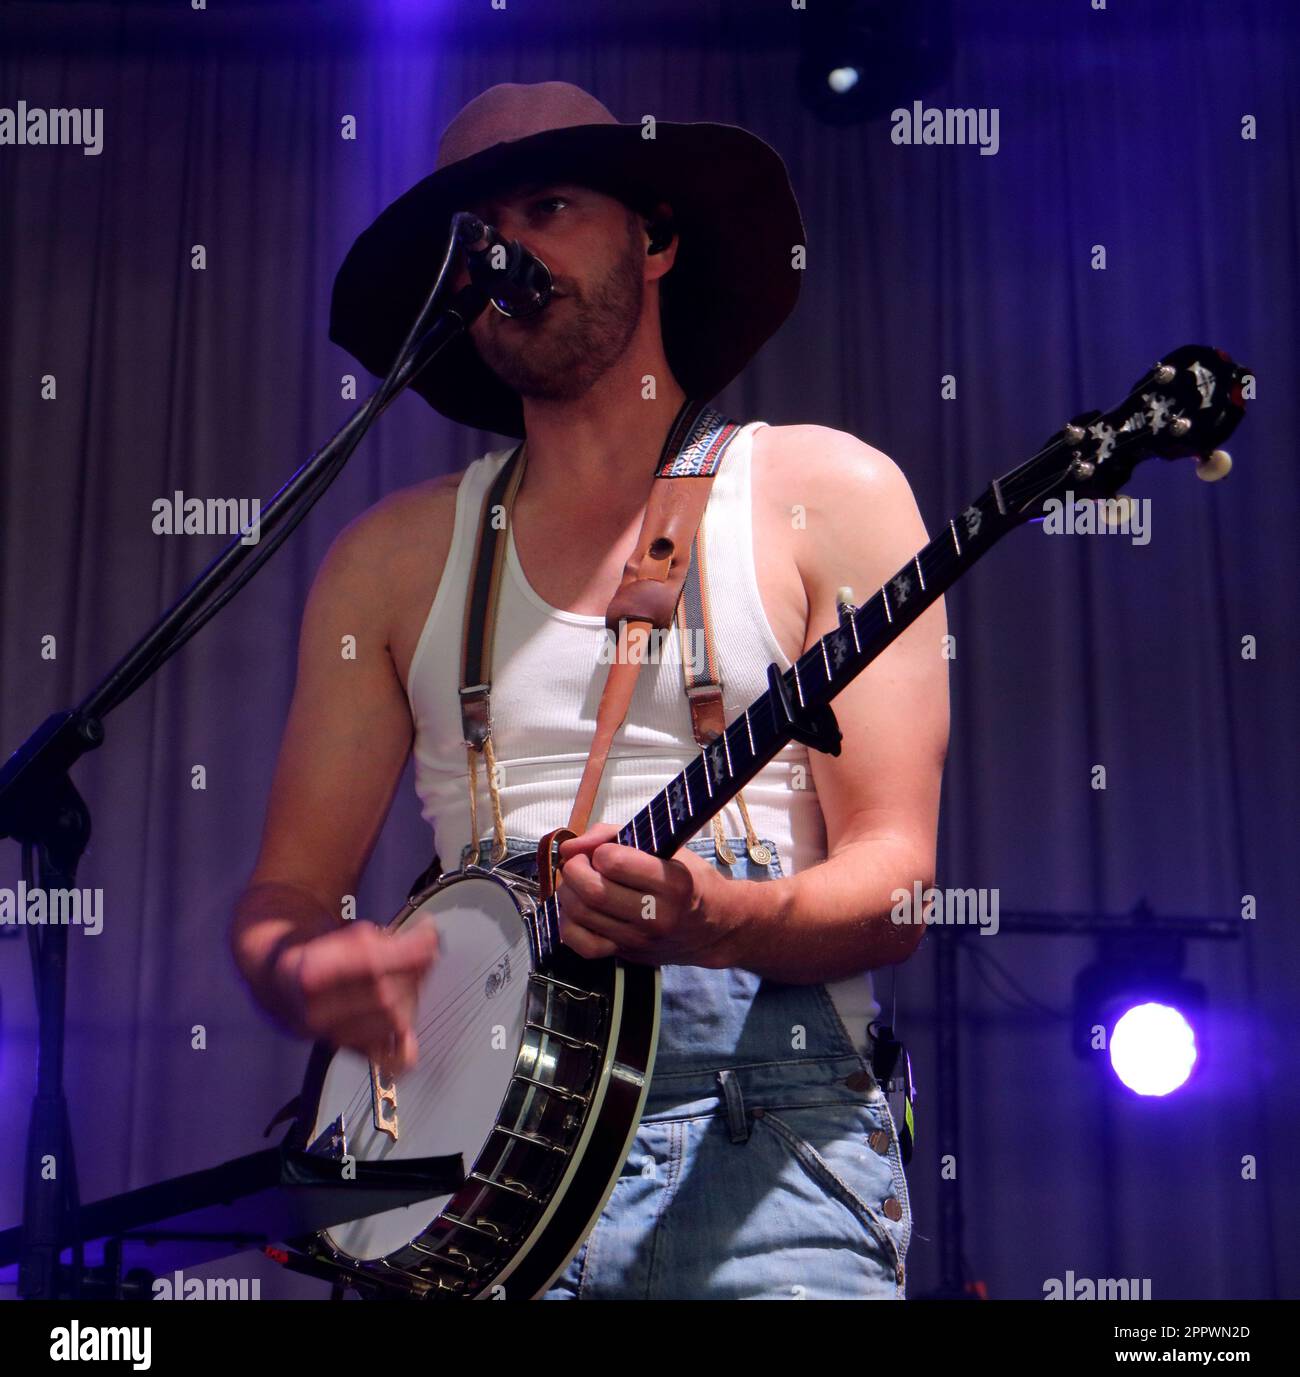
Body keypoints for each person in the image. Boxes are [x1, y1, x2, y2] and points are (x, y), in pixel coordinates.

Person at [230, 81, 949, 1300]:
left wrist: (713, 916)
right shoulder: (388, 558)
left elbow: (898, 880)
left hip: (765, 1137)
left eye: (550, 206)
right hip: (456, 1159)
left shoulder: (828, 490)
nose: (511, 249)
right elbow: (286, 894)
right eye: (480, 233)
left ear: (657, 240)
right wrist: (304, 968)